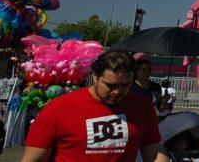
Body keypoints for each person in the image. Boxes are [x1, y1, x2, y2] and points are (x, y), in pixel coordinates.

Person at [21, 50, 161, 161]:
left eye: (125, 85)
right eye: (110, 85)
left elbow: (153, 155)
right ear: (95, 77)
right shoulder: (58, 108)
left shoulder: (143, 107)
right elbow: (33, 159)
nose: (117, 91)